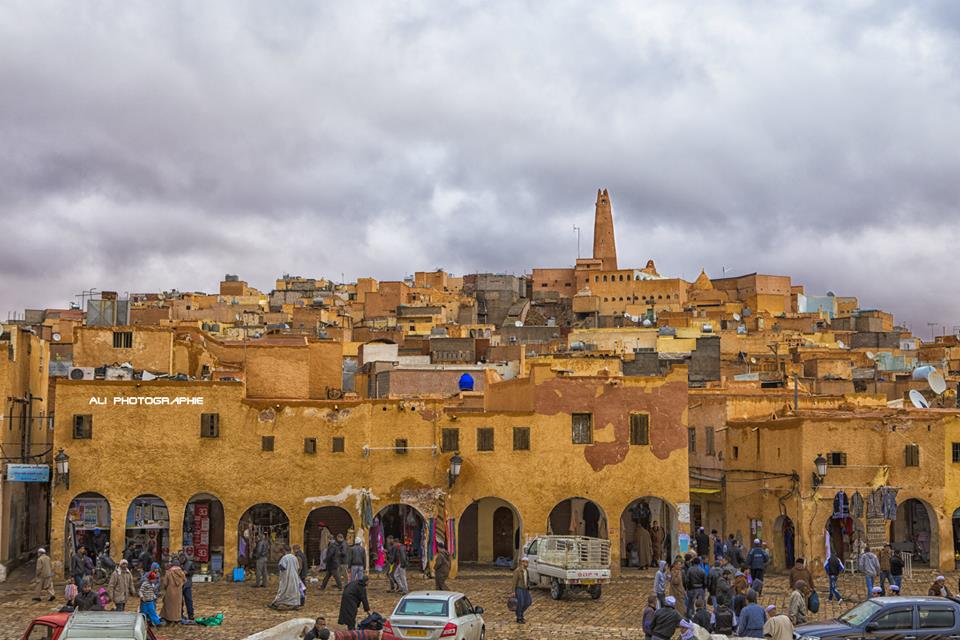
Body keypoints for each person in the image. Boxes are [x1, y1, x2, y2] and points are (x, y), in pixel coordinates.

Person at [160, 559, 187, 623]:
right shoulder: (182, 573)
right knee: (177, 606)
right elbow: (185, 581)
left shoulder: (169, 572)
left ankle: (169, 618)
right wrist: (180, 586)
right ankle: (177, 618)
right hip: (178, 593)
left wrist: (164, 588)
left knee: (169, 605)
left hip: (170, 592)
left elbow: (165, 583)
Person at [513, 556, 532, 624]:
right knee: (520, 603)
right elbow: (514, 582)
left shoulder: (526, 571)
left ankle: (520, 613)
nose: (526, 563)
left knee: (528, 602)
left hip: (525, 589)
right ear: (521, 562)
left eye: (527, 562)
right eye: (525, 562)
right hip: (519, 589)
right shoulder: (517, 571)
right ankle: (519, 617)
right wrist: (513, 591)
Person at [177, 550, 195, 621]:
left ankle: (191, 615)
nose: (182, 560)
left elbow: (193, 571)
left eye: (183, 559)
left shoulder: (190, 563)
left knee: (189, 600)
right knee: (180, 601)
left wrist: (187, 573)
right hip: (179, 585)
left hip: (187, 584)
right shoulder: (177, 564)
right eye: (180, 559)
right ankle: (180, 614)